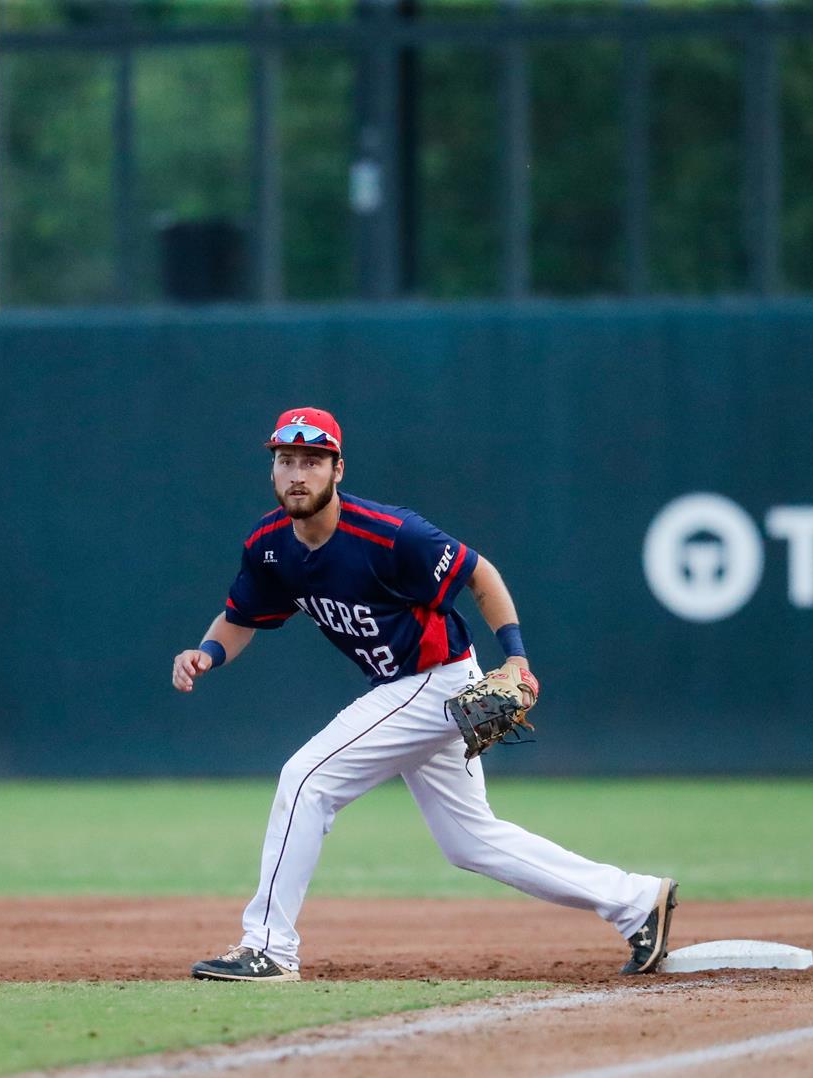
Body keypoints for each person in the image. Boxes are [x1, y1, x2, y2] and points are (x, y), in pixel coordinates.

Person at [171, 407, 679, 980]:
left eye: (312, 461)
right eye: (286, 460)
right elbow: (242, 616)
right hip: (407, 690)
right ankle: (637, 900)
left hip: (434, 681)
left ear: (338, 469)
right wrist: (206, 652)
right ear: (272, 472)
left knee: (306, 780)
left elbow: (480, 575)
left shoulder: (390, 534)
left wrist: (516, 657)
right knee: (470, 841)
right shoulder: (270, 546)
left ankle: (268, 945)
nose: (297, 473)